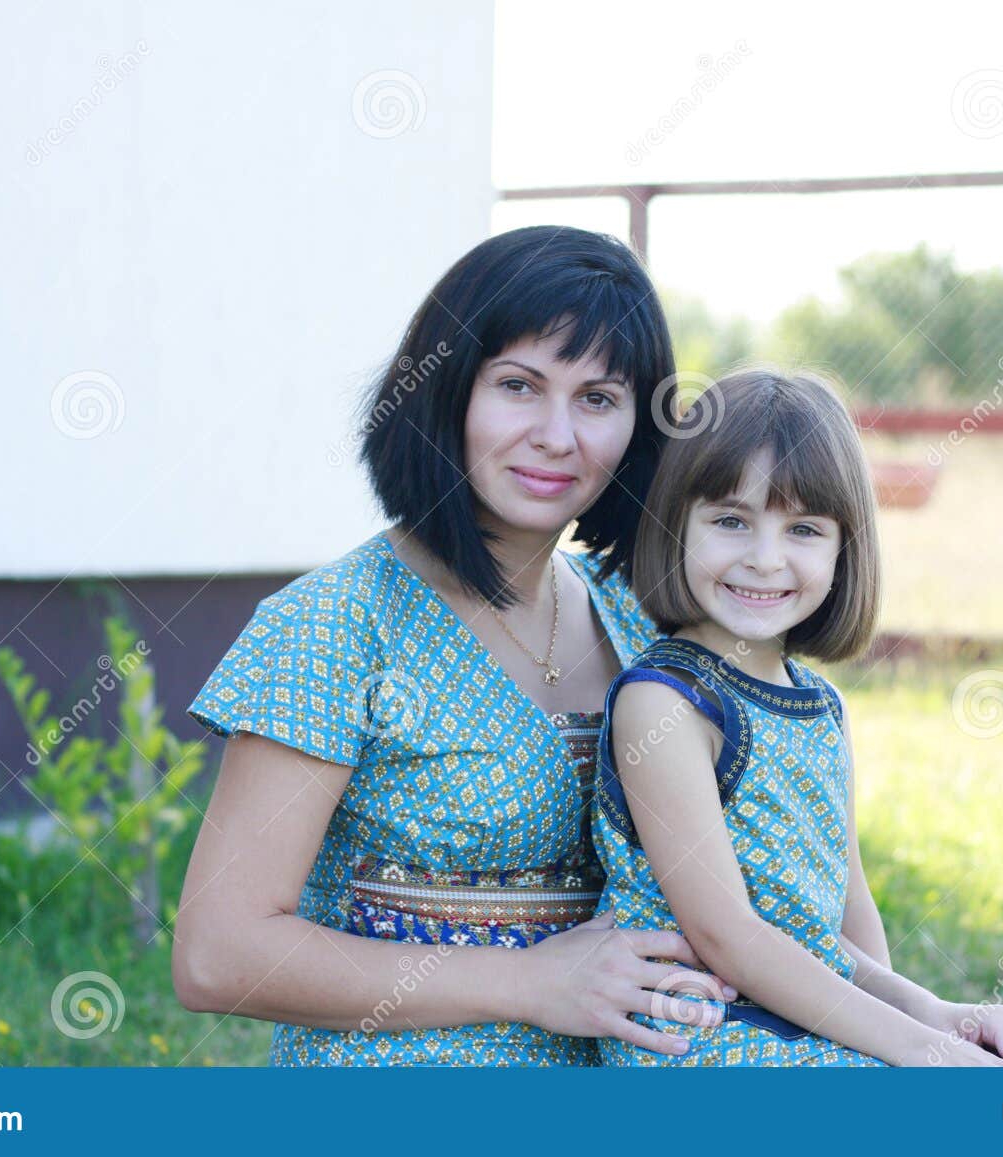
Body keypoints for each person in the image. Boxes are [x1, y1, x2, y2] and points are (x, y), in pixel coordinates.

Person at [171, 225, 746, 1065]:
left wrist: (920, 1020)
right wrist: (533, 982)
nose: (558, 435)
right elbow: (216, 955)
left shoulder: (639, 613)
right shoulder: (334, 624)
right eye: (520, 385)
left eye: (597, 398)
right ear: (446, 395)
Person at [591, 368, 1003, 1067]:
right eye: (729, 520)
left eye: (804, 529)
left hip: (795, 1025)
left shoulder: (820, 705)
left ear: (845, 548)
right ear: (676, 525)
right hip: (698, 1035)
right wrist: (921, 1051)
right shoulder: (666, 702)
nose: (764, 558)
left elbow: (845, 915)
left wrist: (934, 1016)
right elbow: (726, 935)